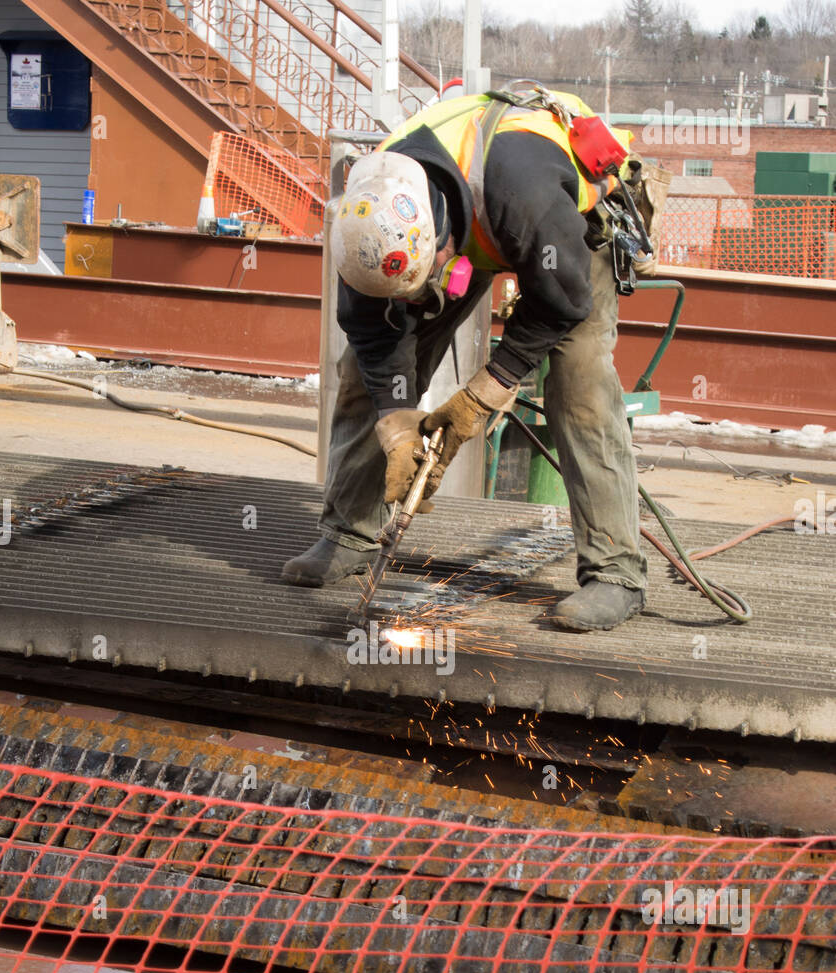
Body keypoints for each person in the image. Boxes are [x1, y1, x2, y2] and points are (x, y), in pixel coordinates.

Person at [281, 85, 668, 632]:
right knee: (357, 377)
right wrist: (396, 420)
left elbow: (564, 300)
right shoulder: (367, 220)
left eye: (420, 285)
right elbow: (374, 333)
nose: (416, 305)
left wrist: (490, 386)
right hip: (481, 222)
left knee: (578, 384)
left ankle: (616, 573)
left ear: (443, 242)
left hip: (572, 232)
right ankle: (350, 531)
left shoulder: (522, 195)